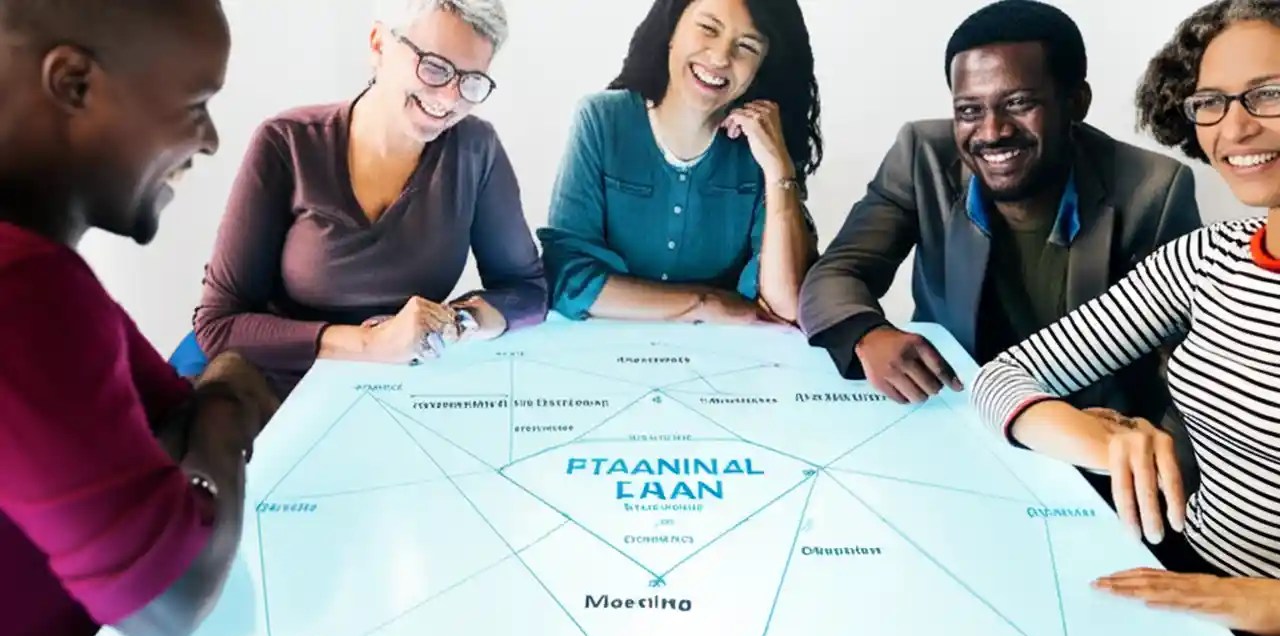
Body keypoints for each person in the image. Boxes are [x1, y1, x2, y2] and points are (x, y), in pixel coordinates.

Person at [971, 0, 1279, 636]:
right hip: (1183, 583)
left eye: (1270, 93)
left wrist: (1262, 602)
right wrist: (1103, 442)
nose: (1236, 127)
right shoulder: (1205, 259)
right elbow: (999, 379)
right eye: (1211, 102)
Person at [0, 0, 279, 636]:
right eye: (195, 104)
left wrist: (208, 414)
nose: (210, 141)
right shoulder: (21, 290)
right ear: (73, 83)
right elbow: (172, 597)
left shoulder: (47, 276)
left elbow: (172, 424)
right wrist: (227, 404)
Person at [797, 2, 1202, 450]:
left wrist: (1164, 462)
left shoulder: (1152, 189)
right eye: (969, 110)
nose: (992, 131)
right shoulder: (922, 156)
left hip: (1087, 437)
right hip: (955, 418)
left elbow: (1194, 360)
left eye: (1019, 103)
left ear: (1076, 102)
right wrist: (866, 333)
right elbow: (836, 273)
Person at [192, 0, 547, 400]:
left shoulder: (475, 150)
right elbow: (218, 324)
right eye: (434, 67)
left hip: (400, 391)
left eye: (471, 81)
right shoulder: (287, 143)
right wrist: (371, 343)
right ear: (378, 44)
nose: (450, 99)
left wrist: (457, 321)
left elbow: (526, 290)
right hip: (284, 392)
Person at [536, 0, 822, 325]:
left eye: (747, 46)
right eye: (708, 28)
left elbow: (784, 305)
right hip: (604, 343)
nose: (720, 58)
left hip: (721, 350)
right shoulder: (602, 120)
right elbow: (568, 278)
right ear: (671, 30)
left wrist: (779, 171)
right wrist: (702, 303)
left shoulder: (762, 146)